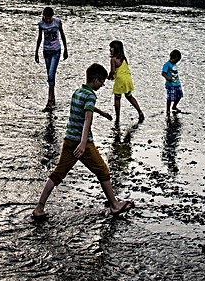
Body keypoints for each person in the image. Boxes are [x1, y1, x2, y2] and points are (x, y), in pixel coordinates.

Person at [32, 63, 134, 220]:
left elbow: (85, 107)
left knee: (57, 173)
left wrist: (102, 112)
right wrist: (83, 142)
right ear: (95, 80)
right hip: (82, 143)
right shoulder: (91, 95)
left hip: (69, 140)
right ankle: (114, 205)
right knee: (103, 171)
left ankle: (39, 208)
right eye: (101, 82)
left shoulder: (78, 92)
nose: (102, 85)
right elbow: (87, 118)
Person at [34, 7, 68, 111]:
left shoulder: (57, 22)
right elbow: (40, 38)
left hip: (56, 51)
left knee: (51, 74)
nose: (49, 20)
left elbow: (62, 35)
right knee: (49, 75)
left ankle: (49, 101)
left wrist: (66, 49)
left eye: (50, 18)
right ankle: (53, 97)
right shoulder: (41, 24)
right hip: (46, 51)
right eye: (47, 18)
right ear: (43, 16)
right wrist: (36, 52)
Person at [108, 40, 145, 122]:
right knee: (129, 96)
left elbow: (113, 71)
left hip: (120, 81)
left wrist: (109, 76)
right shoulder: (123, 58)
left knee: (117, 98)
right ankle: (140, 111)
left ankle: (117, 118)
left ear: (116, 49)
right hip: (127, 79)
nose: (110, 49)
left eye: (111, 47)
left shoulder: (113, 59)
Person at [161, 49, 183, 115]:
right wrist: (167, 78)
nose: (177, 62)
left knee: (179, 95)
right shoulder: (167, 64)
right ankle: (168, 109)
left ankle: (174, 106)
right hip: (170, 84)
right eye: (176, 60)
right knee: (170, 98)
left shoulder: (174, 64)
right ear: (172, 58)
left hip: (177, 83)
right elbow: (163, 73)